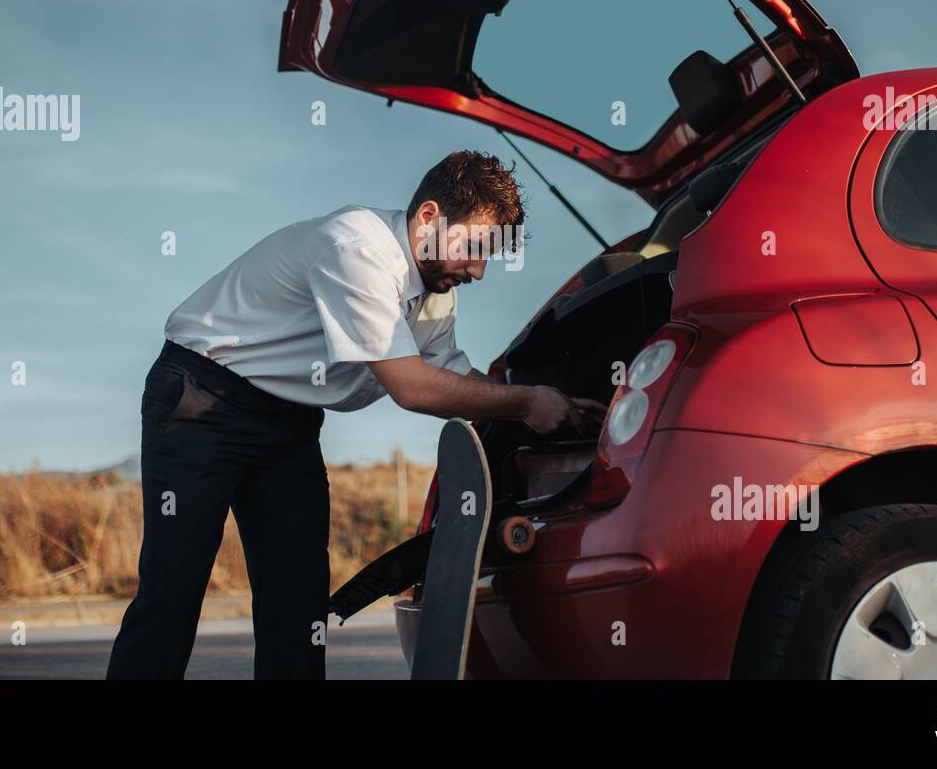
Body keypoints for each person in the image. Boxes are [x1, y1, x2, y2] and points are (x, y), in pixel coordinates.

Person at [106, 150, 604, 679]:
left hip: (289, 423)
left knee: (297, 607)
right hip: (201, 398)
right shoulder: (357, 248)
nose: (479, 270)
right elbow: (412, 388)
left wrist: (555, 410)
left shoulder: (434, 295)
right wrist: (525, 404)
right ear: (430, 218)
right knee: (173, 589)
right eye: (475, 248)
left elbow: (456, 378)